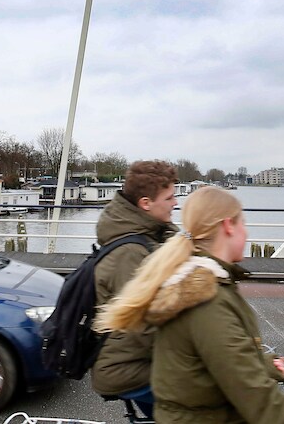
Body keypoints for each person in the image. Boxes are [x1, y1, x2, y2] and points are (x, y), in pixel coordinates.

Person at [96, 187, 284, 424]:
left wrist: (260, 365)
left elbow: (211, 359)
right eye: (243, 223)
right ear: (228, 226)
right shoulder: (206, 300)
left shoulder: (196, 285)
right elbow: (267, 411)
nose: (246, 231)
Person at [90, 160, 180, 418]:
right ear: (145, 204)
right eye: (170, 197)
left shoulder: (150, 235)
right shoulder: (130, 253)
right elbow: (143, 325)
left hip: (135, 357)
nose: (175, 203)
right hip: (123, 367)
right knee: (198, 392)